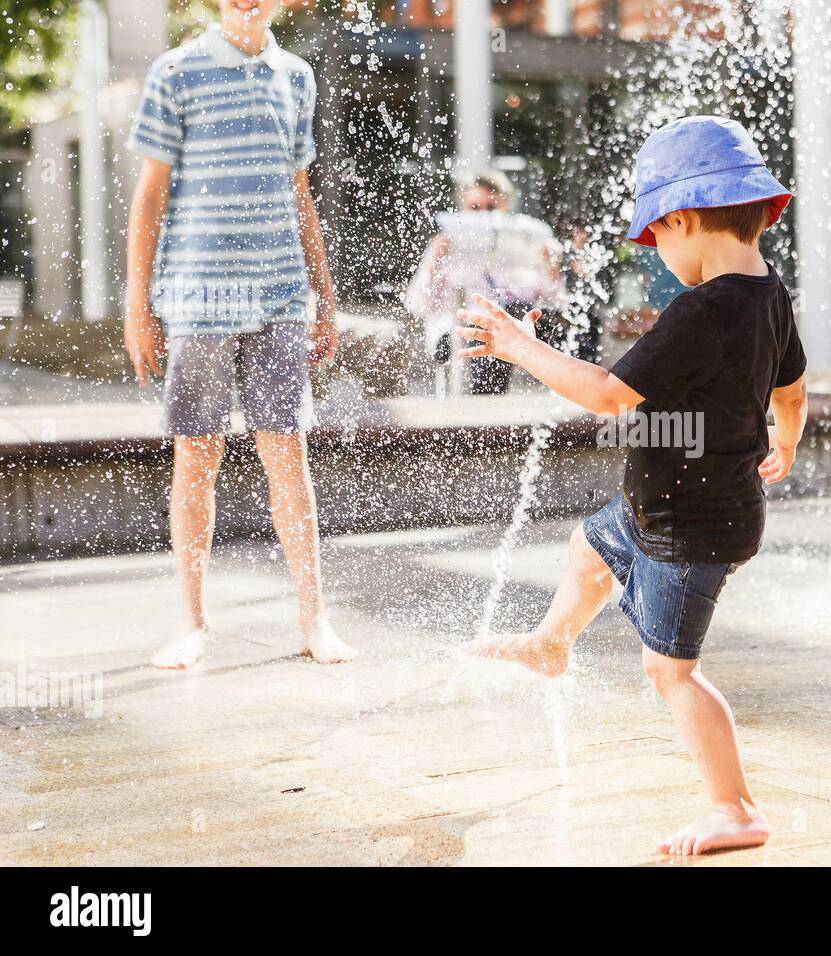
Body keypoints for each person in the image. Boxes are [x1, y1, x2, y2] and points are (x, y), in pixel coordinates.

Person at [456, 116, 808, 856]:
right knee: (589, 545)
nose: (660, 253)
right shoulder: (770, 295)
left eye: (659, 237)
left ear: (683, 218)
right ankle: (552, 644)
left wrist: (522, 347)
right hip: (672, 507)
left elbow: (608, 395)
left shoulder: (701, 309)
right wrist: (786, 441)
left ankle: (735, 807)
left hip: (692, 529)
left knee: (672, 671)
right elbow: (794, 389)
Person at [124, 0, 354, 669]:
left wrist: (324, 293)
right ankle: (193, 623)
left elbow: (299, 192)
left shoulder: (296, 76)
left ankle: (315, 620)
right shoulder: (176, 70)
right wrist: (137, 305)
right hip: (198, 299)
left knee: (289, 453)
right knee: (198, 457)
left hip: (281, 295)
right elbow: (149, 195)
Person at [404, 171, 564, 394]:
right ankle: (488, 407)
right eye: (475, 209)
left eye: (491, 209)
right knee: (488, 332)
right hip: (464, 325)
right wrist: (435, 263)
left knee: (551, 326)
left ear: (505, 207)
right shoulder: (446, 244)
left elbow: (555, 298)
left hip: (515, 320)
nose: (483, 217)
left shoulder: (525, 241)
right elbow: (418, 304)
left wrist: (551, 267)